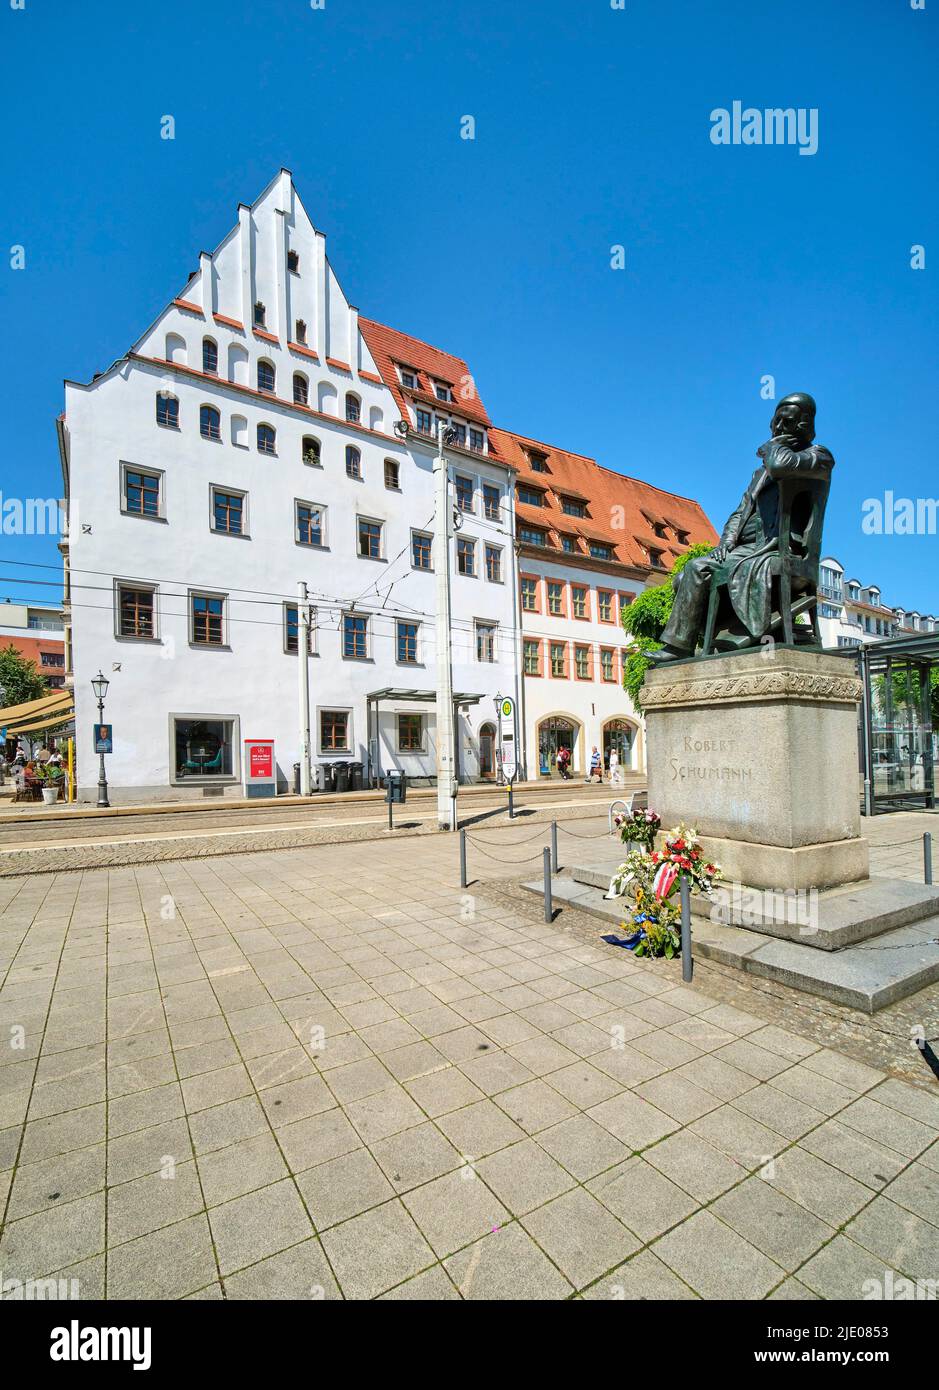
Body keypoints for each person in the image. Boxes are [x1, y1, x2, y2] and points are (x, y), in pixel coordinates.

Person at [656, 393, 834, 660]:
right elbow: (739, 513)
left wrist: (774, 446)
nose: (779, 428)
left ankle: (688, 645)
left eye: (787, 422)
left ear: (804, 423)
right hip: (745, 550)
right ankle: (690, 644)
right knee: (686, 576)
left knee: (697, 569)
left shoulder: (819, 457)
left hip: (780, 551)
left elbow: (779, 465)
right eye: (777, 422)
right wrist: (726, 543)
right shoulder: (758, 475)